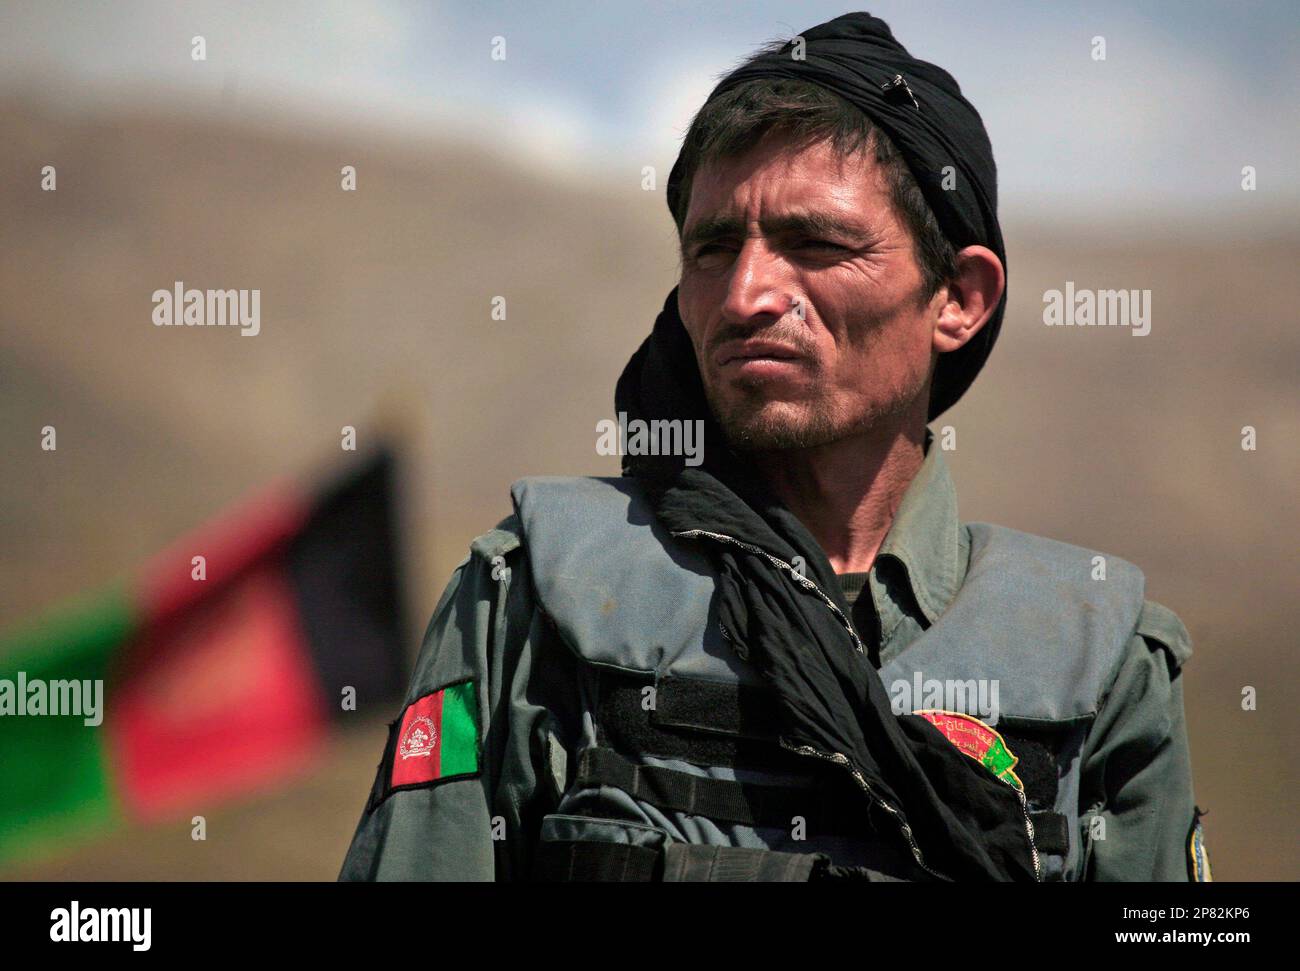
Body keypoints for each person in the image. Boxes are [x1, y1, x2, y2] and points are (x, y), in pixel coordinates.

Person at [340, 11, 1205, 882]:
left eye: (815, 243)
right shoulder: (537, 594)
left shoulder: (1097, 657)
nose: (747, 293)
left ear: (959, 299)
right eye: (713, 248)